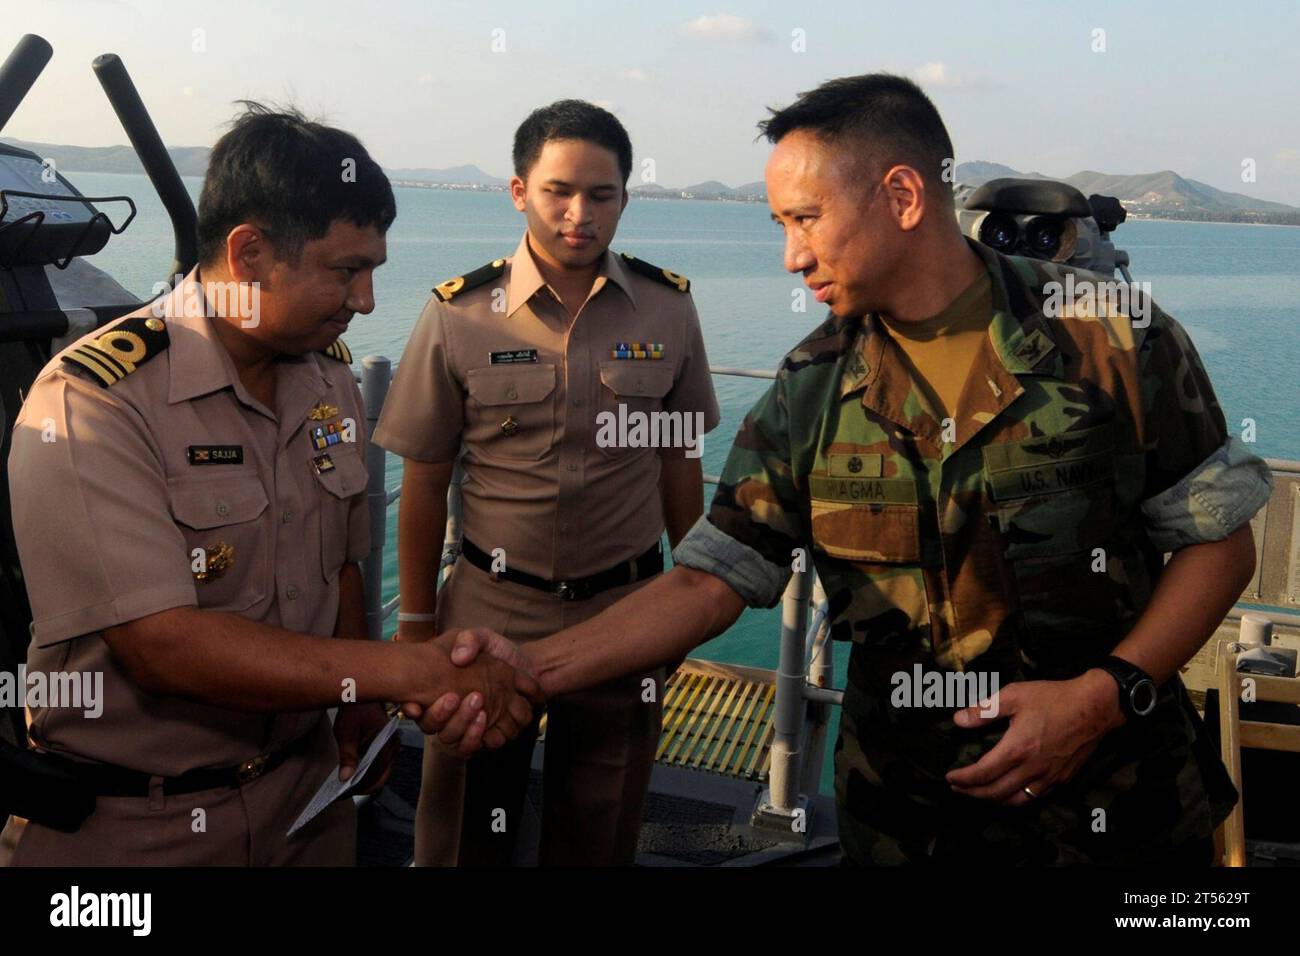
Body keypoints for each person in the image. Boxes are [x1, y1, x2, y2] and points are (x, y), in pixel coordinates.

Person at [438, 74, 1273, 865]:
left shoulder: (1111, 336)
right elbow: (711, 578)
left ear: (904, 197)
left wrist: (1102, 695)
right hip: (907, 821)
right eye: (781, 227)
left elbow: (1220, 544)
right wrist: (530, 672)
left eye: (805, 219)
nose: (791, 258)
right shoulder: (813, 385)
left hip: (1123, 810)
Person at [0, 105, 536, 867]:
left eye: (373, 270)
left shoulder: (328, 380)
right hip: (136, 823)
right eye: (346, 271)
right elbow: (164, 647)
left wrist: (360, 705)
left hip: (307, 801)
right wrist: (411, 667)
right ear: (249, 253)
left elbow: (344, 565)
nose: (366, 301)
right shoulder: (95, 400)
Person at [375, 99, 720, 866]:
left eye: (602, 195)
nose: (579, 214)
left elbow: (678, 461)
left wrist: (685, 606)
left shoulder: (669, 307)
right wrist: (416, 629)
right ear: (518, 191)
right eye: (558, 190)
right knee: (466, 815)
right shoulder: (461, 314)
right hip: (490, 607)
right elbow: (424, 481)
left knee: (600, 819)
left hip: (625, 608)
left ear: (626, 198)